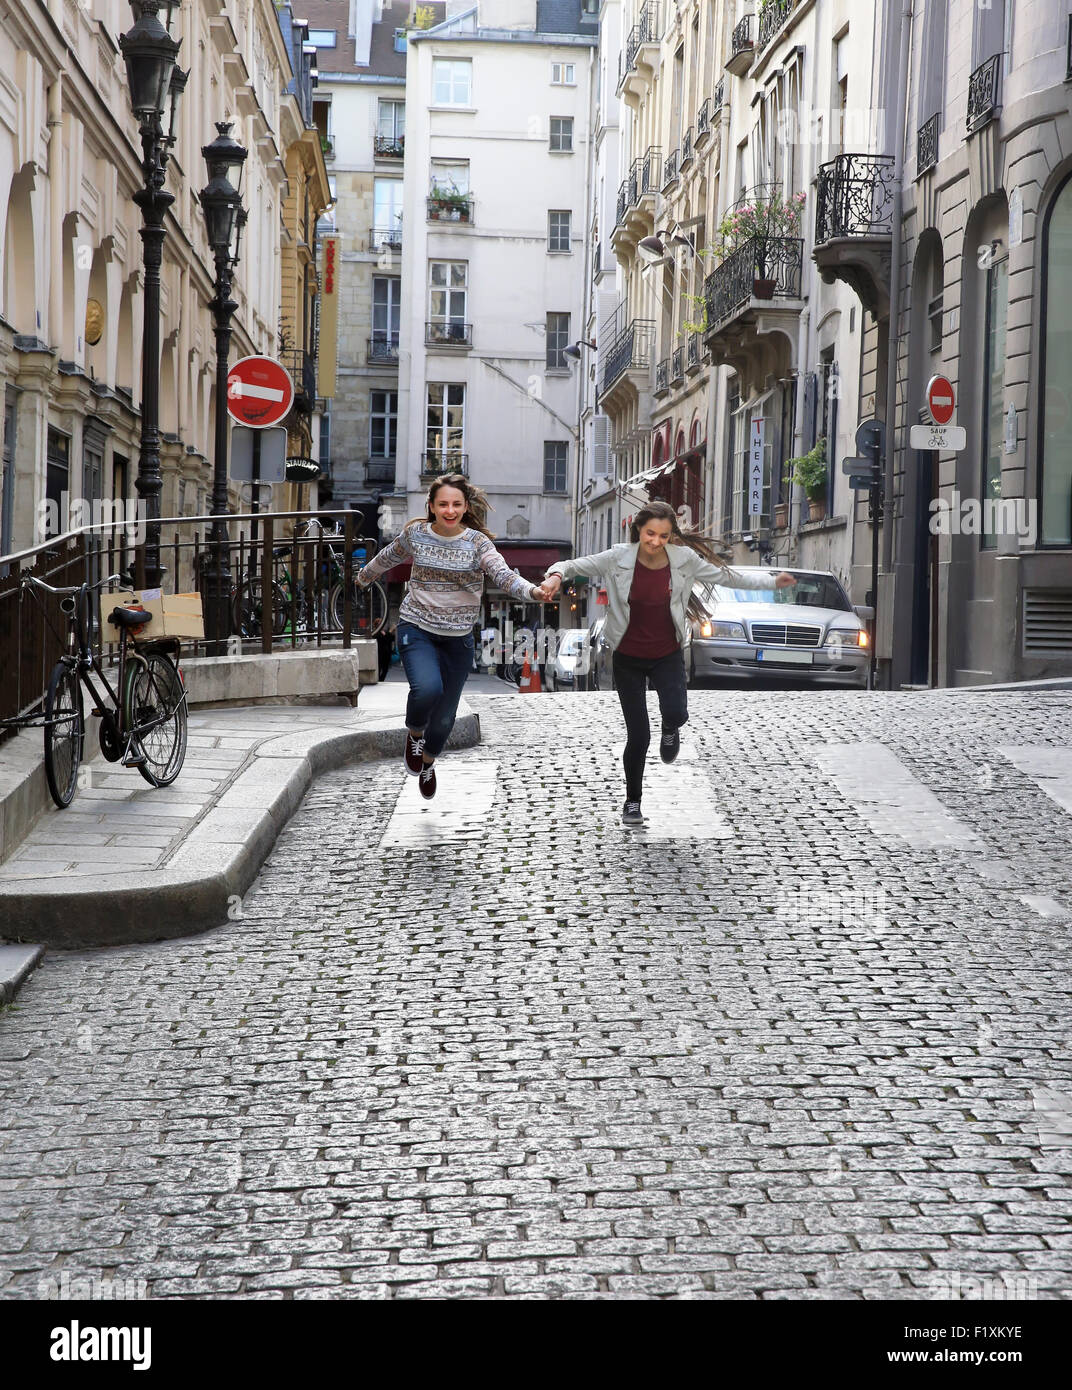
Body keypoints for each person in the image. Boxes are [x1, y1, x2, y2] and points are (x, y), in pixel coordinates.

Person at [542, 501, 797, 826]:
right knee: (638, 736)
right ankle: (632, 801)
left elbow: (727, 577)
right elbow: (575, 564)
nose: (655, 542)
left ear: (670, 535)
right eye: (650, 534)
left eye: (663, 536)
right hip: (628, 657)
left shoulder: (684, 561)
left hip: (667, 654)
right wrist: (554, 577)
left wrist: (772, 582)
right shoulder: (617, 557)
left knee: (676, 712)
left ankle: (670, 729)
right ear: (638, 530)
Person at [356, 473, 554, 799]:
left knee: (446, 716)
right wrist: (362, 578)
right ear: (432, 506)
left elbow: (503, 576)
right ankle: (415, 732)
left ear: (465, 507)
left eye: (456, 504)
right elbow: (388, 556)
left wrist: (533, 591)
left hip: (458, 638)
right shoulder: (415, 534)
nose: (450, 510)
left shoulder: (477, 543)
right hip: (416, 625)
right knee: (427, 688)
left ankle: (429, 761)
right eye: (443, 504)